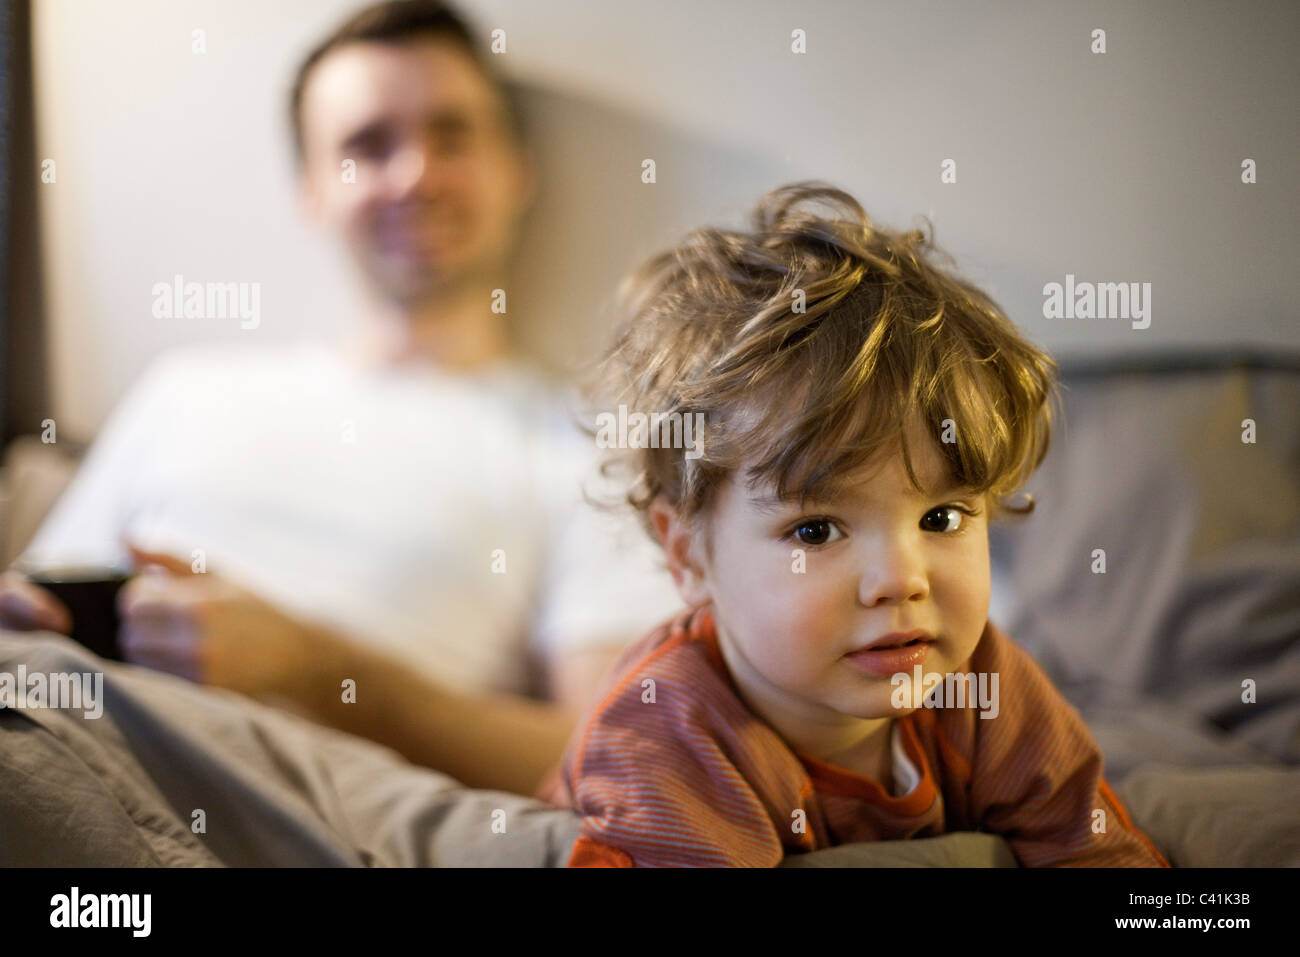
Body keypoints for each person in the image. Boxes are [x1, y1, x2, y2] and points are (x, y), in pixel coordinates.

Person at [0, 0, 679, 797]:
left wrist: (316, 667)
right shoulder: (185, 390)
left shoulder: (588, 445)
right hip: (64, 751)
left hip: (291, 810)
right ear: (311, 190)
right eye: (367, 145)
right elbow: (29, 615)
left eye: (452, 135)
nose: (416, 173)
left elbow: (614, 761)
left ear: (516, 170)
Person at [537, 181, 1171, 866]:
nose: (901, 579)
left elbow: (1098, 853)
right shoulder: (669, 733)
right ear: (689, 556)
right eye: (816, 531)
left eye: (941, 515)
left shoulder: (984, 688)